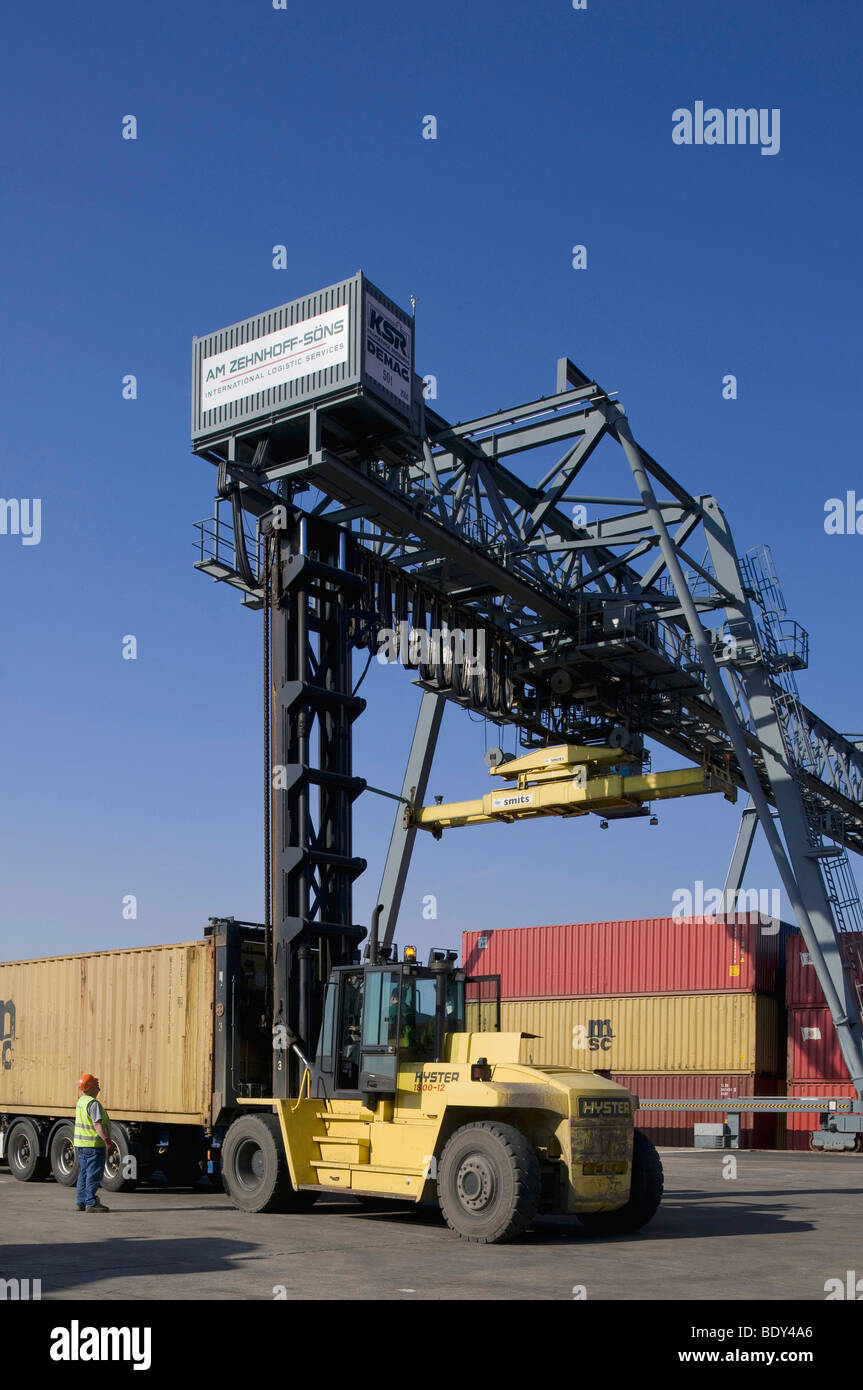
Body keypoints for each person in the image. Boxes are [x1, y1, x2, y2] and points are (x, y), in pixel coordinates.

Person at [74, 1073, 117, 1212]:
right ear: (90, 1087)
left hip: (81, 1145)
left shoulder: (81, 1101)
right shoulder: (93, 1104)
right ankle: (91, 1203)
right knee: (94, 1173)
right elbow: (97, 1125)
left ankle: (81, 1201)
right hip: (93, 1145)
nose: (99, 1087)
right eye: (96, 1085)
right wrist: (107, 1141)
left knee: (84, 1173)